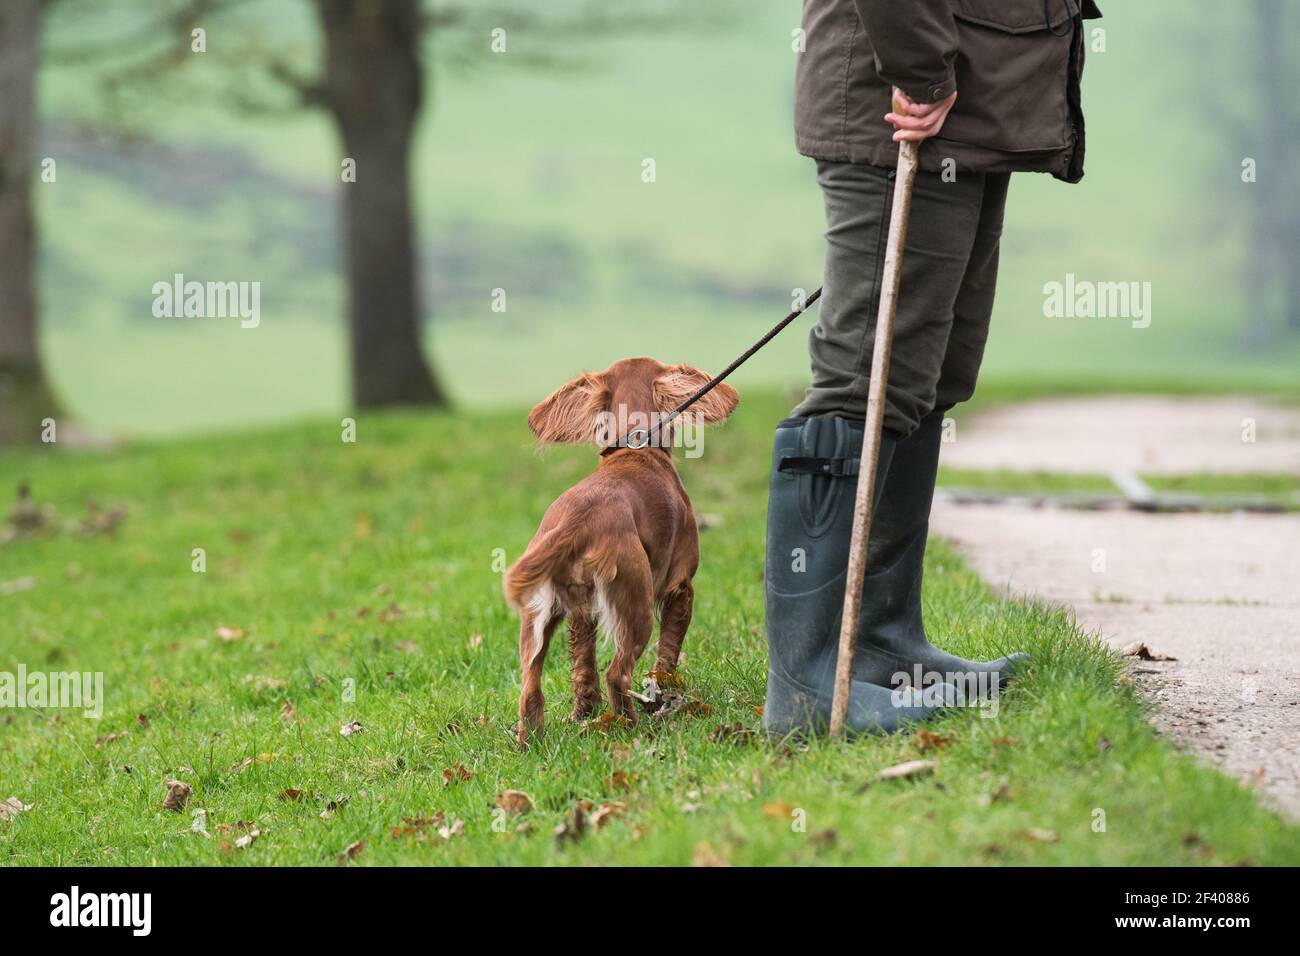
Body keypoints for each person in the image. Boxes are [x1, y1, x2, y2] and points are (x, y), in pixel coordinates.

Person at [764, 0, 1103, 736]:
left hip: (974, 103)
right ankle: (808, 686)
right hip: (909, 100)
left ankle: (884, 646)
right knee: (864, 382)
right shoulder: (918, 82)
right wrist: (921, 69)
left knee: (925, 375)